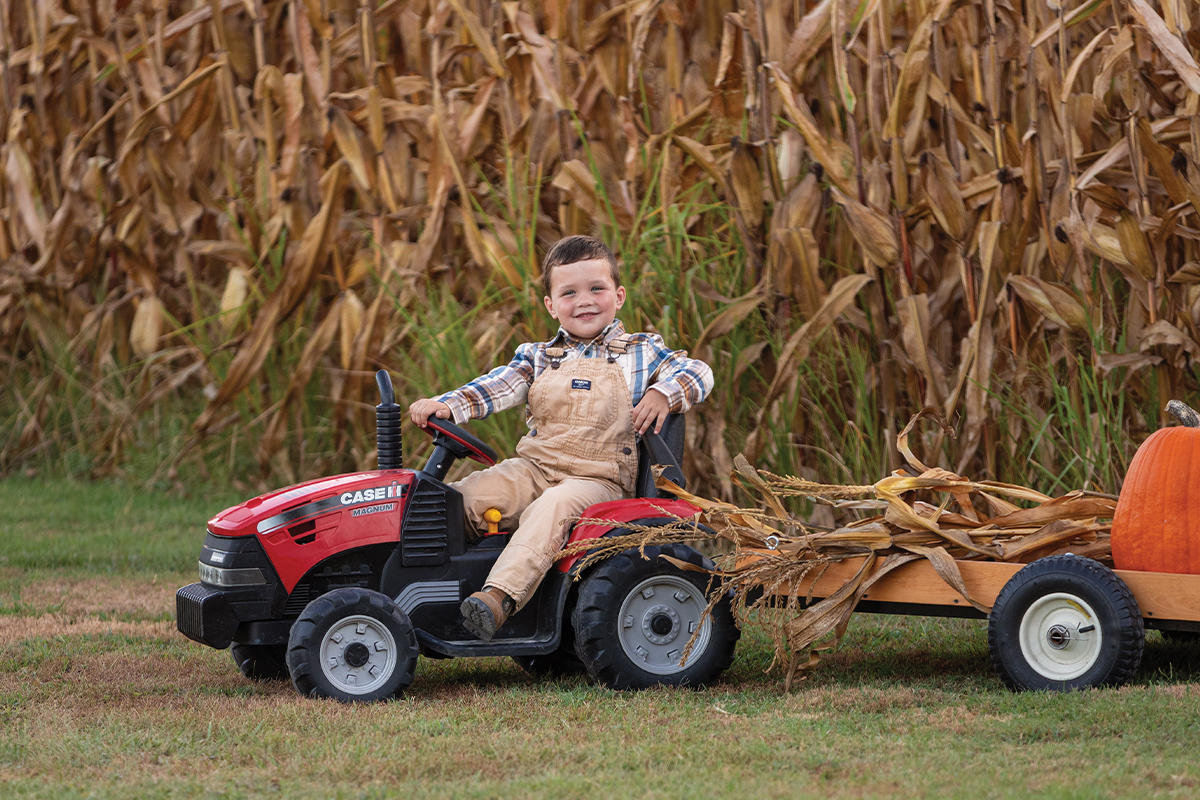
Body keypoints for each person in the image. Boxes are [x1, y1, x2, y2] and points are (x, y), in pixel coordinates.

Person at [408, 235, 714, 641]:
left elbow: (699, 373)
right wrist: (449, 405)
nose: (584, 300)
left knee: (552, 507)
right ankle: (419, 594)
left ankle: (498, 598)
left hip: (599, 480)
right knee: (459, 499)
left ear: (618, 296)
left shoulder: (642, 352)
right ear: (552, 305)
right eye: (569, 292)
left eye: (596, 289)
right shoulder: (537, 357)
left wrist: (664, 392)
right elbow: (496, 387)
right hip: (535, 468)